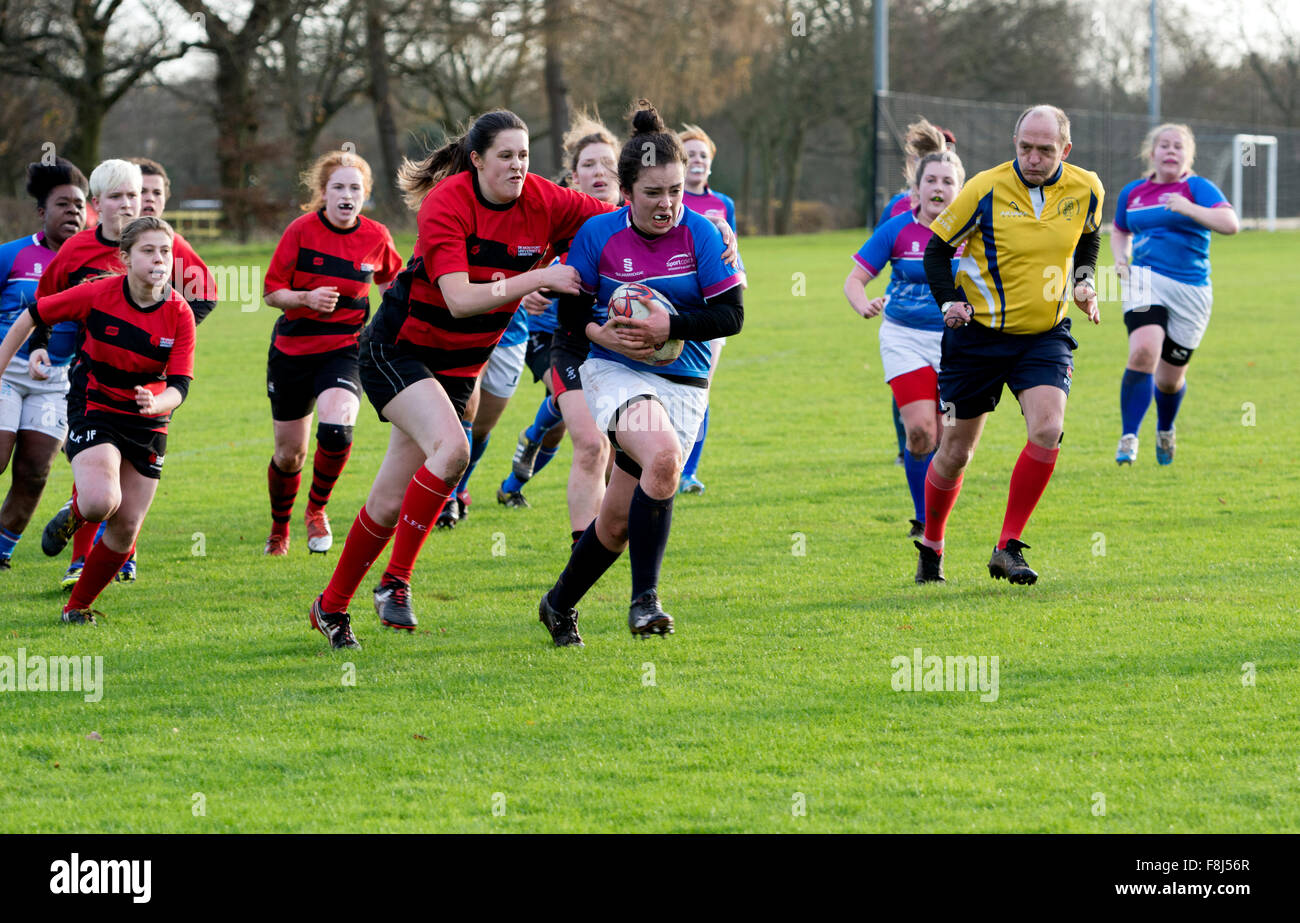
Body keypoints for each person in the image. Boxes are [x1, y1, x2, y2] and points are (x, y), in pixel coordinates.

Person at [306, 108, 617, 649]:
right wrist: (536, 277)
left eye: (524, 155)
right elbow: (460, 298)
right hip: (397, 350)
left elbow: (617, 221)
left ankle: (330, 608)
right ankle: (396, 582)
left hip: (457, 367)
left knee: (386, 500)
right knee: (452, 452)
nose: (518, 166)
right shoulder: (447, 201)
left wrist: (706, 233)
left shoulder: (547, 200)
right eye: (505, 156)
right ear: (475, 161)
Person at [537, 100, 744, 647]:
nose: (668, 204)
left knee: (617, 522)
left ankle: (558, 604)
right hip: (614, 370)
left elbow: (732, 316)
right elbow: (573, 313)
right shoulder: (598, 235)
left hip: (686, 381)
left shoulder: (703, 233)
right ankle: (645, 602)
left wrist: (668, 325)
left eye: (675, 191)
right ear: (626, 192)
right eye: (653, 193)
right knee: (665, 458)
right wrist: (600, 334)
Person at [914, 105, 1103, 586]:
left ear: (1066, 149)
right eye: (1025, 148)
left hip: (1044, 336)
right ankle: (932, 544)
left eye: (1045, 149)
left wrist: (1083, 284)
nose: (1033, 158)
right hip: (974, 340)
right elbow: (937, 249)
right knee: (955, 451)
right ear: (1014, 143)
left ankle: (1008, 546)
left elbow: (1088, 239)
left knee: (1048, 427)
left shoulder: (1087, 188)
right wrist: (948, 302)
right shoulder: (984, 188)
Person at [0, 216, 195, 624]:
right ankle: (79, 508)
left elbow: (179, 385)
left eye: (165, 251)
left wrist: (158, 403)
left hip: (148, 421)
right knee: (101, 502)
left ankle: (77, 608)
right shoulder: (97, 294)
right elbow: (33, 315)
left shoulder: (179, 313)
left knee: (125, 528)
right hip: (96, 406)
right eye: (148, 250)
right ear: (125, 258)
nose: (159, 259)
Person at [35, 158, 215, 589]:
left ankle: (121, 554)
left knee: (131, 478)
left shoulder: (164, 242)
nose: (128, 204)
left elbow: (203, 293)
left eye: (135, 195)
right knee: (99, 466)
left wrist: (161, 335)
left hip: (151, 383)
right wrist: (43, 347)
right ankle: (80, 561)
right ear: (96, 203)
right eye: (116, 197)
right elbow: (44, 303)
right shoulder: (77, 249)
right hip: (92, 374)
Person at [262, 149, 403, 556]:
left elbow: (391, 287)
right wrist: (306, 297)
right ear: (322, 193)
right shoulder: (300, 232)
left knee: (338, 427)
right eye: (338, 187)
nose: (346, 195)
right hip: (291, 352)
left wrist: (393, 326)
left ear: (366, 194)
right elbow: (272, 293)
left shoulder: (376, 236)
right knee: (290, 455)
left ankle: (316, 510)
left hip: (344, 350)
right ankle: (279, 527)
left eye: (355, 188)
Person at [494, 114, 622, 537]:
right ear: (573, 176)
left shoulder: (641, 215)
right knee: (587, 434)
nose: (599, 172)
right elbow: (523, 262)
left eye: (608, 163)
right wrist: (531, 288)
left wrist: (720, 232)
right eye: (589, 165)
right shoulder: (558, 217)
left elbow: (682, 216)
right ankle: (587, 544)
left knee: (596, 440)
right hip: (554, 337)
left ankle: (517, 476)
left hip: (618, 344)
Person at [844, 149, 965, 539]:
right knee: (920, 433)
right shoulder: (898, 229)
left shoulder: (974, 234)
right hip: (904, 339)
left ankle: (936, 518)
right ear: (916, 189)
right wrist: (865, 305)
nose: (939, 188)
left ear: (959, 190)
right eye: (931, 180)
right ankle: (924, 519)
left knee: (950, 443)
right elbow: (855, 280)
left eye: (948, 182)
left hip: (959, 346)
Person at [1111, 123, 1238, 465]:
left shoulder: (1197, 187)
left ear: (1187, 156)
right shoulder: (1133, 192)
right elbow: (1120, 230)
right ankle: (1129, 436)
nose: (1170, 151)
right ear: (1150, 153)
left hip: (1191, 290)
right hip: (1145, 279)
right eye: (1163, 145)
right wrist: (1120, 259)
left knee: (1169, 380)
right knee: (1143, 352)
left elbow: (1230, 224)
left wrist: (1187, 207)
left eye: (1178, 147)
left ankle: (1165, 428)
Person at [0, 159, 88, 571]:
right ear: (41, 212)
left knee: (35, 470)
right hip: (6, 371)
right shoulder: (12, 255)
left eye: (80, 204)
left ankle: (0, 553)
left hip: (56, 380)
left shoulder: (94, 261)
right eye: (63, 204)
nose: (73, 210)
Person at [878, 119, 952, 466]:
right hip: (904, 319)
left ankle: (939, 454)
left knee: (947, 417)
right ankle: (905, 445)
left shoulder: (962, 208)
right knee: (908, 389)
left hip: (948, 325)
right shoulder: (896, 208)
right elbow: (882, 249)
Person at [675, 122, 741, 496]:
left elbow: (732, 250)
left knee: (702, 387)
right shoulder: (669, 199)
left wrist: (739, 277)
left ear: (711, 165)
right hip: (673, 305)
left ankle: (689, 470)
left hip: (711, 308)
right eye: (691, 154)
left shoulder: (724, 204)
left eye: (704, 155)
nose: (698, 160)